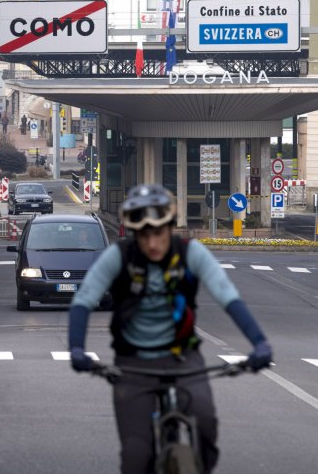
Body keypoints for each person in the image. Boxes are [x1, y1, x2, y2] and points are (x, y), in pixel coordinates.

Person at [67, 184, 273, 474]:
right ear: (135, 234)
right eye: (144, 235)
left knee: (206, 426)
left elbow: (228, 297)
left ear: (170, 228)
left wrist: (260, 343)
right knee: (136, 456)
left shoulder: (190, 253)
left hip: (183, 357)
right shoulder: (119, 256)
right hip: (133, 364)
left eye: (159, 233)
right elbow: (83, 301)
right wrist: (76, 348)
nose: (152, 244)